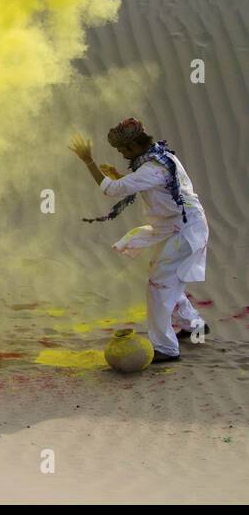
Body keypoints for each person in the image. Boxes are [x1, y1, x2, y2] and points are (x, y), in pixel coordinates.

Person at [70, 118, 209, 363]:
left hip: (183, 231)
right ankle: (193, 324)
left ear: (135, 145)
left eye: (124, 149)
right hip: (179, 227)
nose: (122, 154)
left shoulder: (152, 168)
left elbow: (111, 190)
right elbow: (146, 186)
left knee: (158, 286)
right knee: (166, 277)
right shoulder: (161, 156)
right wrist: (121, 178)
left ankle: (166, 348)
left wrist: (88, 161)